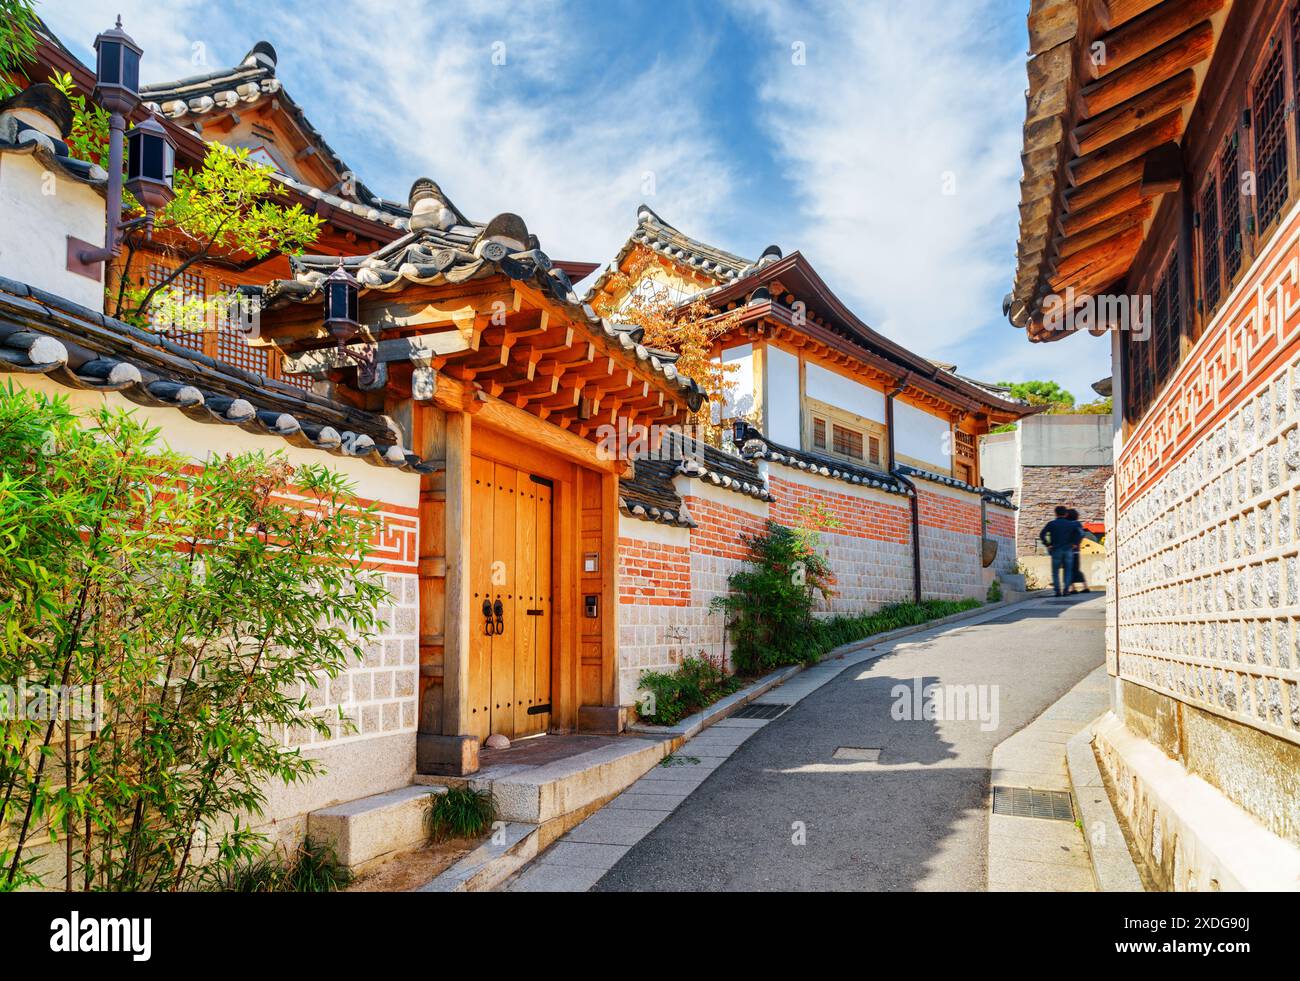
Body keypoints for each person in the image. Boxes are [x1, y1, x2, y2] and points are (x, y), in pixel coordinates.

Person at [1039, 505, 1083, 597]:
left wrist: (1048, 544)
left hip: (1056, 549)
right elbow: (1081, 533)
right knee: (1068, 570)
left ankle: (1058, 591)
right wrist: (1075, 543)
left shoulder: (1051, 524)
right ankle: (1066, 590)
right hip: (1068, 549)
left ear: (1055, 513)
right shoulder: (1071, 524)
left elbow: (1042, 534)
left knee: (1055, 571)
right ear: (1066, 514)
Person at [1066, 508, 1088, 593]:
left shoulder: (1075, 524)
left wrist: (1075, 543)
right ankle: (1084, 587)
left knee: (1070, 569)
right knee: (1075, 569)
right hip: (1075, 550)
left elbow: (1081, 534)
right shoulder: (1075, 524)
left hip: (1072, 550)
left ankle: (1074, 588)